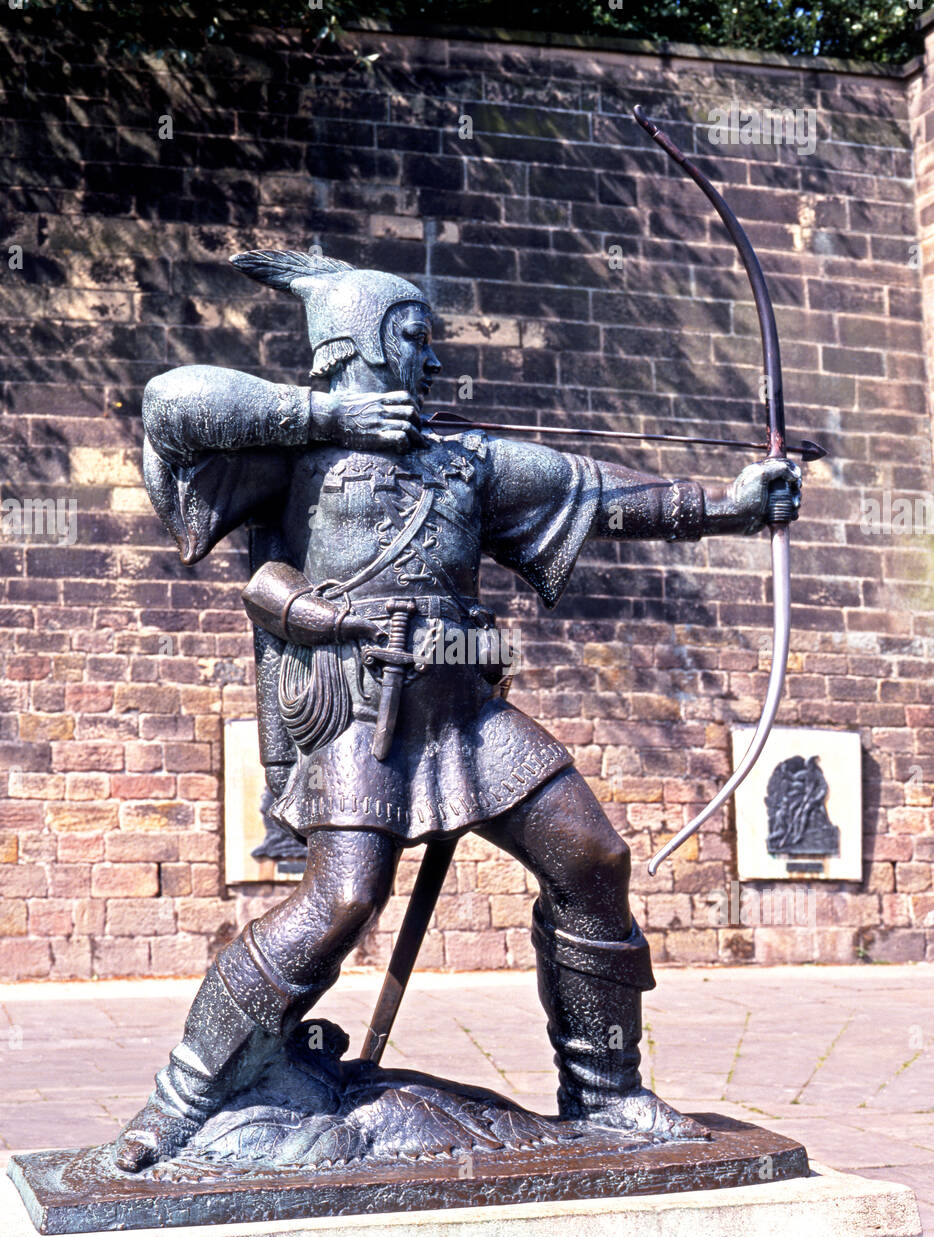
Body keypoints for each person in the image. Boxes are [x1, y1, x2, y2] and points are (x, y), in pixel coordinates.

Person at [116, 250, 800, 1172]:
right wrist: (325, 416)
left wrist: (731, 508)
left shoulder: (465, 462)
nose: (432, 363)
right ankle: (179, 1101)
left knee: (592, 857)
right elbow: (168, 404)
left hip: (466, 715)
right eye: (413, 340)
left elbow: (598, 492)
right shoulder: (289, 455)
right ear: (357, 344)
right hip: (364, 716)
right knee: (340, 901)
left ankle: (606, 1095)